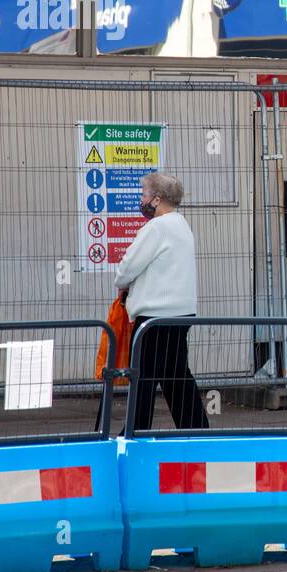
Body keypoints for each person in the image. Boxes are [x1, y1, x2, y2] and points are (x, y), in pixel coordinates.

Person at [116, 171, 210, 431]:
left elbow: (127, 268)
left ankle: (135, 431)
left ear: (157, 199)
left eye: (144, 194)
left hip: (153, 317)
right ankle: (196, 429)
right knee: (176, 375)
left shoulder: (156, 228)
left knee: (144, 376)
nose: (142, 200)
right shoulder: (182, 225)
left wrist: (123, 284)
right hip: (181, 312)